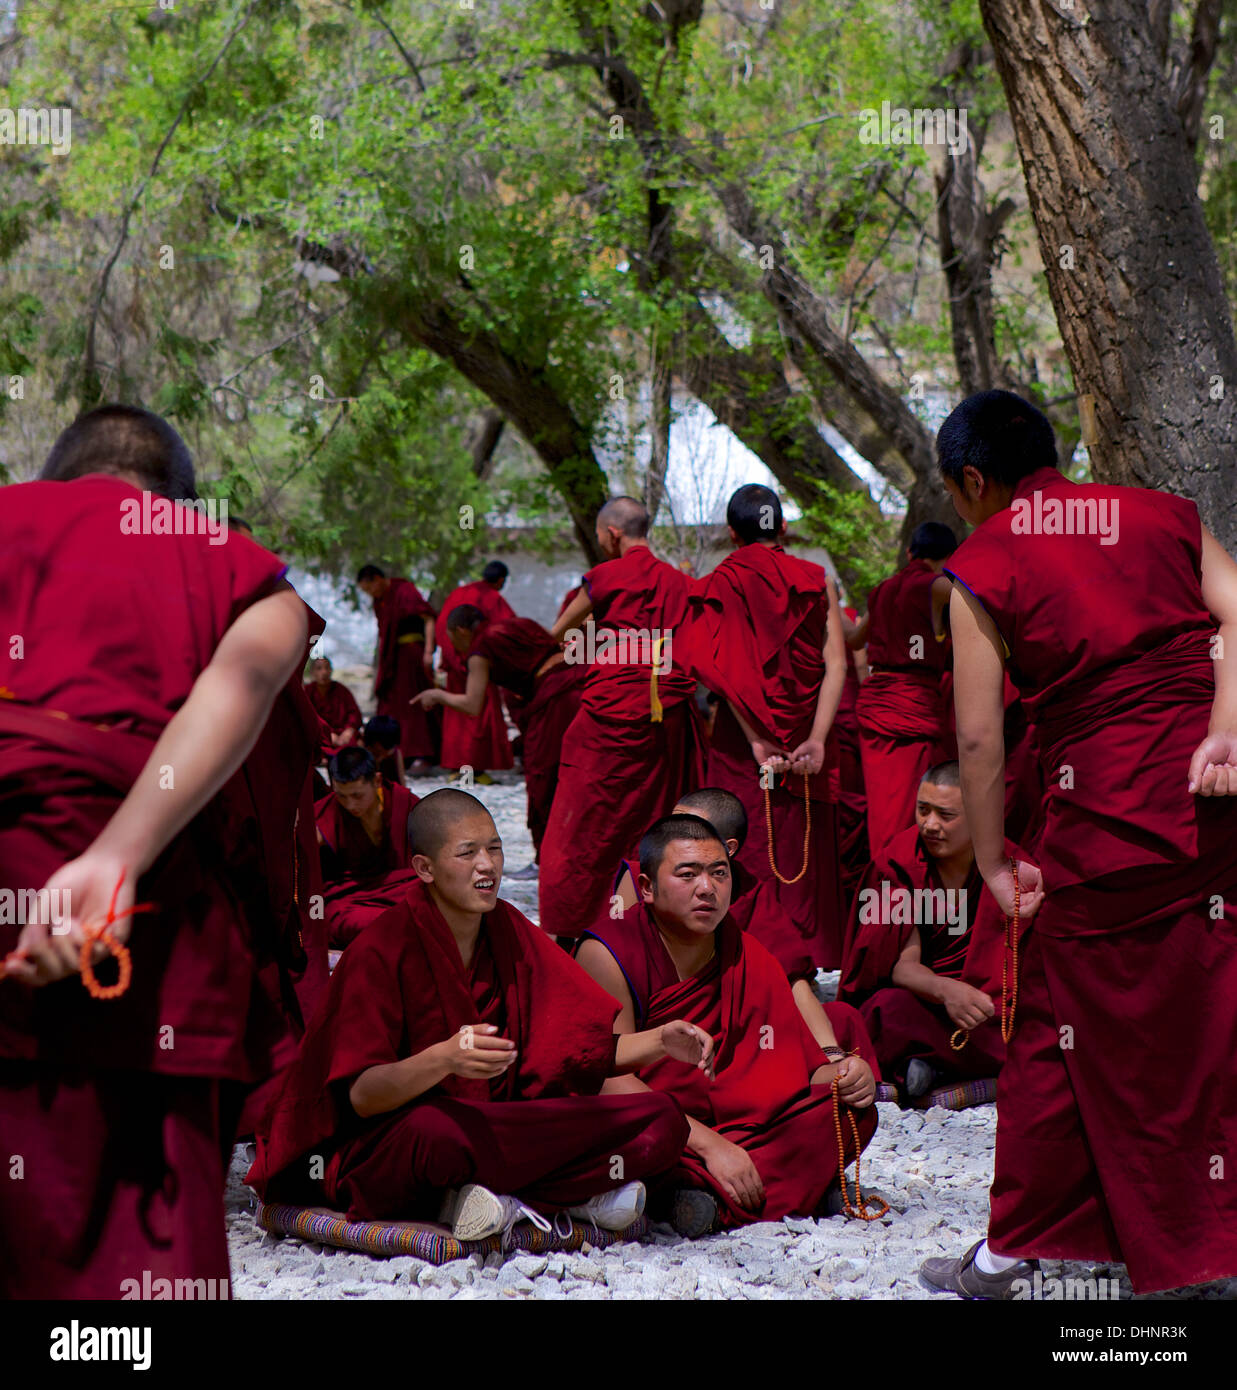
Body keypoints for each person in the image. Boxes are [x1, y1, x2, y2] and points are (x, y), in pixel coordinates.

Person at [919, 390, 1237, 1300]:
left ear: (973, 480)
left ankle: (1186, 1248)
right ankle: (1014, 1246)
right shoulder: (1159, 512)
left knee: (1126, 1032)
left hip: (1108, 823)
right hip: (1210, 811)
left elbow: (977, 740)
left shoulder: (985, 561)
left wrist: (987, 863)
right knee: (1076, 1021)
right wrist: (1221, 732)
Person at [0, 404, 312, 1299]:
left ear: (52, 480)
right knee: (139, 1232)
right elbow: (245, 684)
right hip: (143, 913)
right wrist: (116, 857)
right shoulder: (248, 576)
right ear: (179, 501)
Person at [246, 790, 712, 1240]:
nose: (487, 866)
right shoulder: (380, 949)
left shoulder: (508, 929)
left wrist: (659, 1041)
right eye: (466, 853)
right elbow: (364, 1096)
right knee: (437, 1133)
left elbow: (583, 1050)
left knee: (662, 1118)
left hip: (497, 1129)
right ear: (423, 868)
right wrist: (444, 1060)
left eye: (494, 849)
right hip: (398, 1141)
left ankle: (486, 1199)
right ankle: (569, 1197)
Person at [576, 815, 879, 1237]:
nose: (707, 889)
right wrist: (711, 1146)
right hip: (662, 1125)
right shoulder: (609, 953)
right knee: (626, 1137)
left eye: (720, 874)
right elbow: (604, 1078)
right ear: (646, 888)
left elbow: (803, 1070)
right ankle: (780, 1190)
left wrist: (846, 1075)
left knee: (849, 1112)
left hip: (746, 1124)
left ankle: (704, 1200)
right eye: (687, 875)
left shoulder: (746, 952)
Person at [681, 483, 849, 968]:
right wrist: (816, 739)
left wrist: (757, 738)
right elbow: (836, 664)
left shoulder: (719, 584)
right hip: (808, 736)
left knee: (742, 842)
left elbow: (720, 671)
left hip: (743, 742)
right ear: (785, 527)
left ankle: (748, 960)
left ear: (732, 533)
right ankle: (804, 968)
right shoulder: (817, 580)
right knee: (801, 851)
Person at [538, 498, 704, 940]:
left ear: (612, 533)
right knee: (651, 821)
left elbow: (559, 634)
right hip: (662, 716)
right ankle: (644, 927)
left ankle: (576, 925)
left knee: (584, 826)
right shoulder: (681, 583)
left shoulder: (605, 578)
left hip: (606, 714)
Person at [605, 786, 857, 1052]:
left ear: (729, 848)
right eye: (673, 824)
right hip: (648, 1035)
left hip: (724, 1036)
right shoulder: (639, 878)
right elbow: (617, 958)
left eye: (690, 829)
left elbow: (791, 976)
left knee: (843, 1021)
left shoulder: (749, 896)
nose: (673, 836)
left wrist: (830, 1052)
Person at [839, 762, 1011, 1098]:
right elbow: (903, 966)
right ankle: (963, 1072)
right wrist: (946, 991)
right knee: (884, 1010)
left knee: (1033, 1026)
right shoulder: (899, 864)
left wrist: (980, 1001)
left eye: (946, 815)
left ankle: (928, 1069)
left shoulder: (1010, 869)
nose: (930, 825)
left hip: (987, 1011)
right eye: (922, 810)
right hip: (925, 1003)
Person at [414, 605, 586, 878]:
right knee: (578, 773)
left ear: (461, 630)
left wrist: (437, 695)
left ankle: (546, 859)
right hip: (580, 685)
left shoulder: (480, 649)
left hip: (553, 701)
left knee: (542, 780)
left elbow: (472, 703)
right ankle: (578, 853)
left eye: (452, 638)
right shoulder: (518, 624)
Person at [852, 522, 957, 852]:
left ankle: (882, 879)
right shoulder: (938, 586)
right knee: (914, 807)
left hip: (878, 704)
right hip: (912, 704)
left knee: (884, 807)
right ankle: (902, 879)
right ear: (950, 556)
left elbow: (854, 638)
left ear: (910, 552)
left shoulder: (882, 589)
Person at [314, 747, 418, 948]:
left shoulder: (403, 802)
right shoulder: (327, 813)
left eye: (357, 795)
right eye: (342, 796)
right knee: (336, 918)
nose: (350, 804)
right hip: (353, 899)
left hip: (401, 890)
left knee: (435, 896)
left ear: (377, 781)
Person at [435, 561, 514, 784]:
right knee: (479, 714)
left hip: (455, 660)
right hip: (479, 661)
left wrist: (451, 656)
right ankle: (475, 769)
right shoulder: (493, 597)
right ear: (500, 581)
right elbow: (505, 629)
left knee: (456, 715)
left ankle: (456, 767)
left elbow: (443, 625)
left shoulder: (459, 592)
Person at [356, 564, 438, 773]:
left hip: (411, 654)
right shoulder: (380, 601)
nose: (370, 593)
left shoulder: (404, 590)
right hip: (392, 658)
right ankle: (393, 751)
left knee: (414, 704)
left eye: (369, 588)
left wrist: (429, 651)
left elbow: (428, 618)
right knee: (392, 704)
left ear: (377, 579)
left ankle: (422, 754)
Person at [304, 655, 362, 757]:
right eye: (319, 668)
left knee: (353, 747)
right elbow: (306, 718)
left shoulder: (341, 690)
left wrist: (349, 731)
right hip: (319, 736)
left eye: (327, 668)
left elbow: (354, 713)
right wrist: (326, 734)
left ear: (331, 670)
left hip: (342, 735)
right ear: (312, 672)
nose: (324, 672)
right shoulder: (308, 692)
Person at [361, 714, 405, 787]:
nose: (382, 757)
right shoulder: (360, 753)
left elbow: (402, 785)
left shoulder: (394, 752)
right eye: (377, 753)